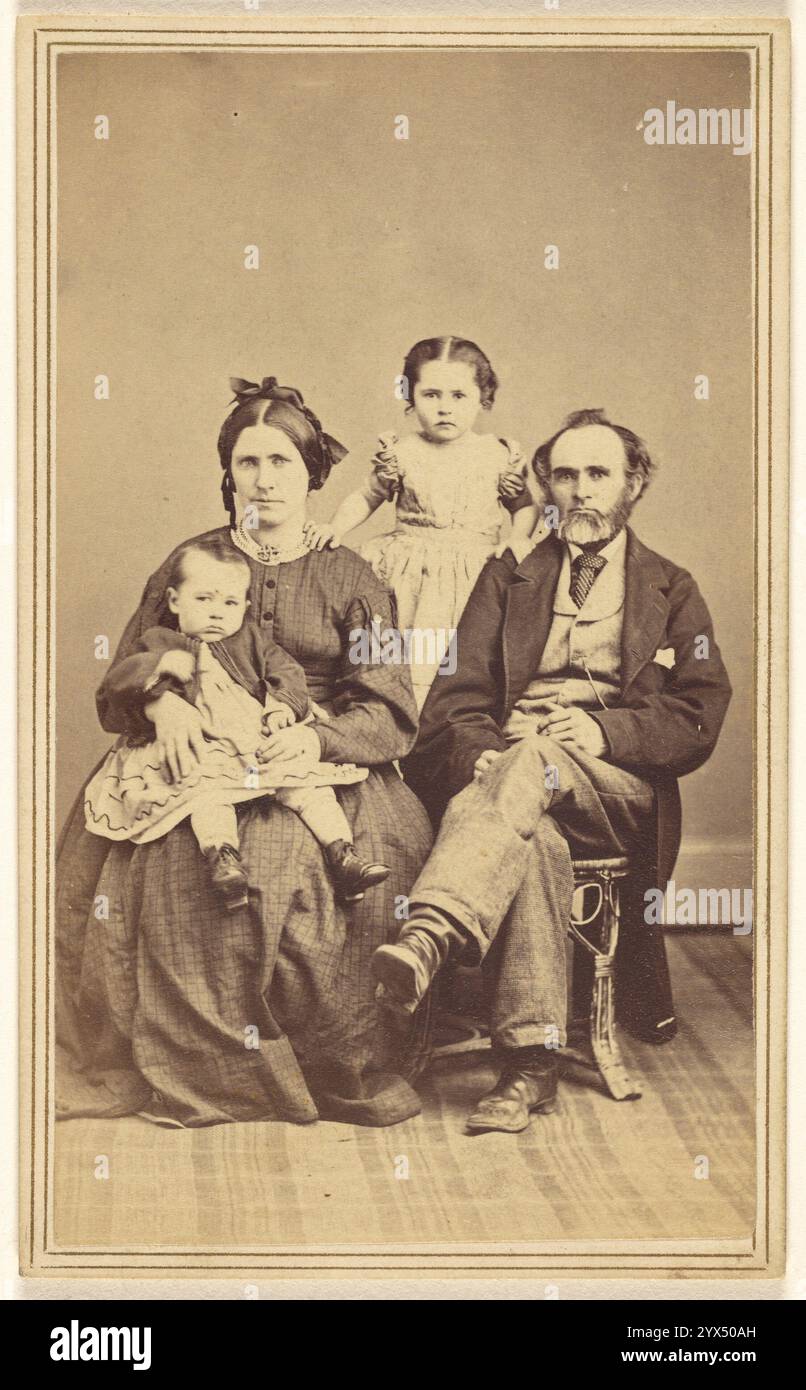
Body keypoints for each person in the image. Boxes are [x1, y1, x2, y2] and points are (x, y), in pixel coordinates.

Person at [56, 376, 434, 1128]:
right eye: (248, 461)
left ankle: (321, 1056)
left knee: (302, 868)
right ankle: (178, 1057)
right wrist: (161, 704)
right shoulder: (189, 561)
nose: (264, 479)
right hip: (189, 752)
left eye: (282, 462)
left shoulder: (349, 576)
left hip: (320, 759)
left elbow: (389, 705)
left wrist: (311, 733)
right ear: (227, 473)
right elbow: (128, 668)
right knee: (163, 863)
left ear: (311, 472)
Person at [374, 408, 732, 1134]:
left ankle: (432, 931)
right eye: (564, 475)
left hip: (616, 787)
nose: (580, 491)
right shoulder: (510, 579)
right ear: (546, 485)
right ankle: (529, 1068)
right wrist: (481, 754)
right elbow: (454, 696)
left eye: (598, 474)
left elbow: (699, 713)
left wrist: (603, 730)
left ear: (636, 482)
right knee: (533, 837)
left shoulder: (671, 586)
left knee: (534, 758)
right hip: (515, 784)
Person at [84, 535, 390, 909]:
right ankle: (224, 860)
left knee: (307, 788)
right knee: (206, 796)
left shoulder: (251, 640)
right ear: (174, 601)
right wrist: (159, 670)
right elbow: (117, 683)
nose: (216, 612)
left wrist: (281, 707)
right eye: (203, 599)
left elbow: (286, 670)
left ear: (245, 606)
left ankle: (343, 853)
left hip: (253, 736)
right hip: (204, 746)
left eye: (229, 603)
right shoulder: (158, 642)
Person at [304, 336, 539, 707]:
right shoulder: (403, 452)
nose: (445, 408)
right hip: (408, 574)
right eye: (431, 395)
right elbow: (368, 495)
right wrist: (335, 528)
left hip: (473, 575)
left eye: (458, 396)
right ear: (410, 397)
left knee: (463, 662)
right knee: (402, 658)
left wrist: (519, 538)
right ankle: (397, 725)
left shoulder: (496, 455)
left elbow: (524, 505)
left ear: (483, 398)